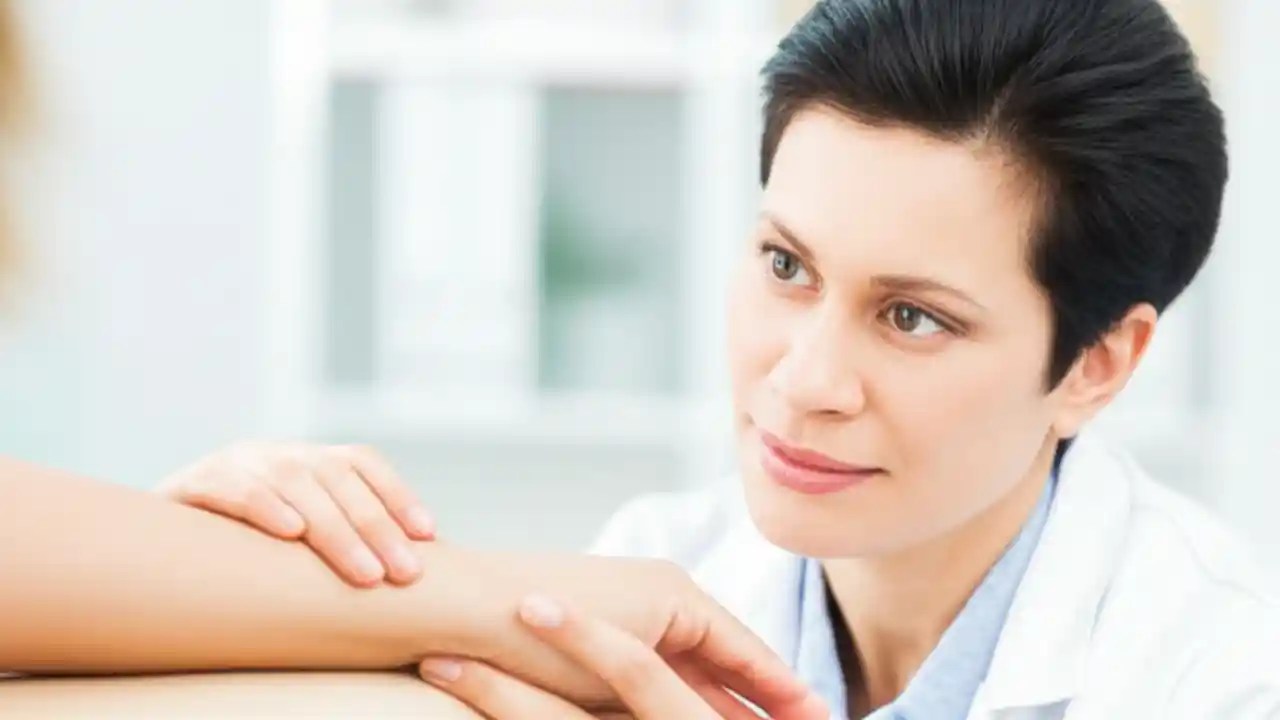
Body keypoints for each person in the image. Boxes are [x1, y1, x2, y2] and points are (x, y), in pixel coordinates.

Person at [159, 0, 1280, 718]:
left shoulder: (1219, 674)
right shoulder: (654, 563)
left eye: (911, 319)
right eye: (786, 267)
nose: (799, 383)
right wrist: (231, 564)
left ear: (1094, 363)